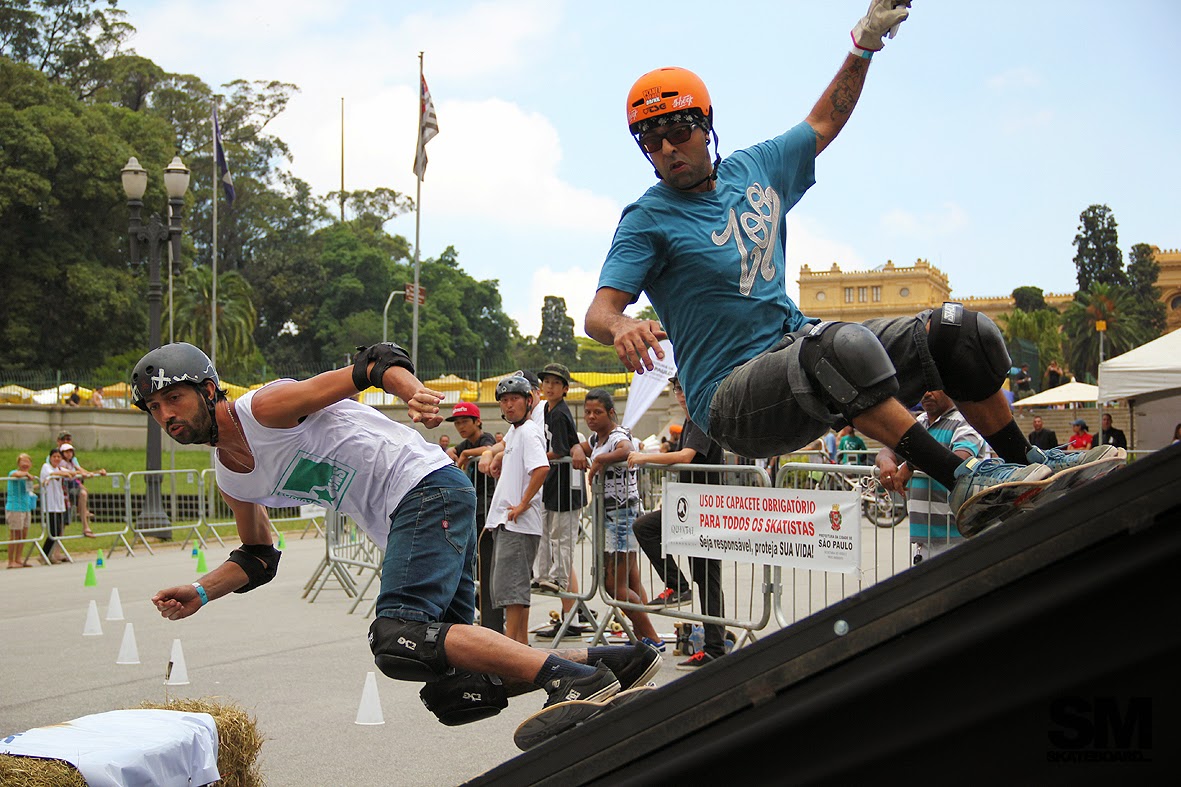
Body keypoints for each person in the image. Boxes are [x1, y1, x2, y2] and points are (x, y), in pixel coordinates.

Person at [584, 2, 1120, 537]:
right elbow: (599, 311)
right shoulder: (648, 218)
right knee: (833, 346)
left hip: (798, 352)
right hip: (732, 399)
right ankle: (967, 481)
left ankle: (1027, 469)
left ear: (705, 127)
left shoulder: (756, 169)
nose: (666, 149)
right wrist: (622, 324)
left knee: (960, 333)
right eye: (650, 141)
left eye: (676, 130)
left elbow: (823, 120)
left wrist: (864, 43)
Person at [135, 342, 661, 735]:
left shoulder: (264, 409)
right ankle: (616, 663)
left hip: (423, 488)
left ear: (207, 390)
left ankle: (571, 679)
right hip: (420, 511)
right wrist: (202, 590)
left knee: (396, 637)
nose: (167, 417)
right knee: (456, 687)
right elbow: (258, 555)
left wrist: (413, 392)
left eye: (173, 400)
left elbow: (372, 364)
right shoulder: (232, 477)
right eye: (155, 410)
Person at [628, 375, 727, 669]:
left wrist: (645, 458)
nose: (681, 394)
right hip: (691, 507)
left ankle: (715, 647)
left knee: (707, 578)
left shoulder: (700, 417)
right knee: (647, 528)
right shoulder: (690, 419)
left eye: (686, 388)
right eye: (678, 389)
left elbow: (686, 455)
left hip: (704, 508)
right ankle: (679, 587)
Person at [575, 389, 666, 649]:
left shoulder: (617, 435)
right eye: (587, 412)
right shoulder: (596, 437)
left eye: (597, 412)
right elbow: (579, 446)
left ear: (611, 413)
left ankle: (652, 639)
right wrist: (578, 451)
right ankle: (641, 637)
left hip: (622, 515)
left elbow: (626, 450)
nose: (591, 417)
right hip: (610, 514)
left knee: (614, 584)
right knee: (632, 580)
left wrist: (600, 459)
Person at [875, 391, 985, 565]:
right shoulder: (918, 422)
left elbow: (958, 460)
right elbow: (887, 449)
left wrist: (910, 465)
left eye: (933, 387)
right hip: (924, 538)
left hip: (958, 536)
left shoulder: (966, 421)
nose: (926, 393)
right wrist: (886, 462)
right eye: (922, 387)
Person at [483, 375, 549, 645]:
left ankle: (511, 647)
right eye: (505, 401)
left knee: (511, 590)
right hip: (507, 521)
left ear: (528, 401)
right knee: (512, 591)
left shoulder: (530, 431)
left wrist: (523, 503)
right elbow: (506, 444)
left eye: (514, 400)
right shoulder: (517, 431)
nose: (509, 406)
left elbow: (542, 468)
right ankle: (519, 645)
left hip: (517, 522)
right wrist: (496, 455)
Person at [534, 362, 589, 637]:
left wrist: (533, 459)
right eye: (546, 382)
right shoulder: (545, 410)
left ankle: (560, 586)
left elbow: (560, 450)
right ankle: (550, 582)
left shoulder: (559, 413)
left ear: (565, 388)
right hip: (553, 484)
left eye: (556, 383)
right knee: (550, 536)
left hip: (566, 486)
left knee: (562, 541)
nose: (550, 386)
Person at [447, 402, 502, 634]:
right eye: (457, 423)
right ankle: (480, 606)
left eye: (464, 422)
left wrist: (467, 454)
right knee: (475, 560)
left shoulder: (483, 439)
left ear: (477, 422)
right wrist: (452, 452)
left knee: (487, 559)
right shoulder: (465, 444)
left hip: (487, 506)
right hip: (472, 508)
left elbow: (489, 449)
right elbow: (453, 453)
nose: (460, 426)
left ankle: (494, 609)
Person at [60, 443, 106, 537]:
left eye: (70, 451)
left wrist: (97, 472)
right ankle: (82, 512)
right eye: (66, 451)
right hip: (65, 488)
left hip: (73, 487)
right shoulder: (62, 463)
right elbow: (69, 472)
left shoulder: (72, 462)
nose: (69, 453)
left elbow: (83, 471)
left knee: (83, 493)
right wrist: (79, 473)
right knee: (62, 523)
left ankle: (85, 522)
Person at [39, 448, 74, 563]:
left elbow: (73, 472)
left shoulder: (60, 468)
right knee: (53, 531)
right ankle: (44, 554)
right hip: (50, 505)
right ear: (50, 457)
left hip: (59, 505)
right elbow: (53, 474)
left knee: (58, 531)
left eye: (58, 457)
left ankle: (48, 554)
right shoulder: (46, 467)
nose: (56, 459)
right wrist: (66, 473)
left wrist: (90, 473)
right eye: (54, 456)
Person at [6, 453, 38, 568]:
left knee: (23, 534)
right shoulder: (14, 473)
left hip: (26, 507)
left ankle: (18, 558)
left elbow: (28, 489)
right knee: (15, 534)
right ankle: (10, 561)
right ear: (18, 464)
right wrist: (25, 474)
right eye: (23, 462)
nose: (25, 464)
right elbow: (15, 474)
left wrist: (40, 485)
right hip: (15, 507)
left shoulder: (27, 477)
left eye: (27, 462)